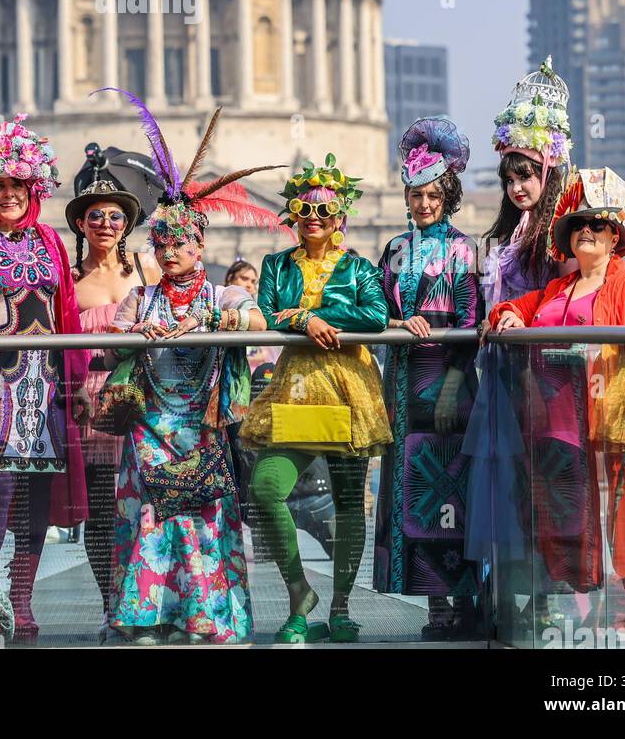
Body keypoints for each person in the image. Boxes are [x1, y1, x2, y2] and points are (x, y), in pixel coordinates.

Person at [96, 95, 276, 645]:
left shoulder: (224, 292)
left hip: (203, 428)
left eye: (181, 242)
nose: (171, 251)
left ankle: (205, 618)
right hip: (150, 427)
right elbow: (106, 355)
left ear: (201, 246)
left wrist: (224, 315)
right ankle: (148, 618)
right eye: (162, 242)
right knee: (149, 522)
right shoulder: (141, 299)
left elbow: (258, 323)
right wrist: (129, 338)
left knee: (203, 526)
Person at [490, 167, 625, 632]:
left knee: (619, 523)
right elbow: (511, 308)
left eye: (598, 225)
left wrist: (623, 411)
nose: (587, 231)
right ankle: (577, 615)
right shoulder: (558, 288)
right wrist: (506, 315)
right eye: (579, 225)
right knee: (563, 524)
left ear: (614, 237)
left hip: (609, 429)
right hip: (555, 431)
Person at [0, 115, 89, 648]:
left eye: (17, 186)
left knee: (36, 493)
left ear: (33, 189)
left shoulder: (51, 241)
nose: (8, 195)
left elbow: (68, 316)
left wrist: (74, 387)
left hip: (47, 388)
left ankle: (22, 599)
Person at [241, 156, 391, 644]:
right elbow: (266, 313)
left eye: (325, 212)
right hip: (296, 388)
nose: (313, 218)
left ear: (340, 218)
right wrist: (306, 323)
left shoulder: (360, 267)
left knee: (349, 502)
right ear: (292, 213)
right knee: (267, 487)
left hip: (349, 387)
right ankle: (299, 594)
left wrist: (311, 311)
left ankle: (342, 607)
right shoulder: (275, 265)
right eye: (304, 208)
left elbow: (375, 316)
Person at [462, 57, 575, 633]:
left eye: (527, 174)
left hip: (546, 379)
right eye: (509, 177)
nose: (517, 187)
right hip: (503, 378)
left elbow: (564, 299)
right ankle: (511, 595)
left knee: (542, 483)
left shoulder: (560, 235)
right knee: (508, 483)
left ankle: (546, 595)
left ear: (548, 170)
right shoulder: (507, 236)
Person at [373, 117, 482, 639]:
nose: (422, 204)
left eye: (432, 194)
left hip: (449, 386)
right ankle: (437, 606)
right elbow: (372, 310)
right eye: (415, 194)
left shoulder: (468, 251)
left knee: (452, 495)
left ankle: (466, 603)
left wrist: (454, 389)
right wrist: (397, 322)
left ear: (448, 195)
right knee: (415, 494)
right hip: (402, 385)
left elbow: (469, 325)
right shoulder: (393, 250)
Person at [65, 170, 157, 636]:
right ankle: (111, 604)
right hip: (91, 402)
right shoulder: (68, 278)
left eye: (115, 216)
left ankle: (144, 602)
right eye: (95, 216)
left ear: (127, 223)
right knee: (102, 513)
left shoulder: (147, 268)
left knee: (147, 509)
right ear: (81, 224)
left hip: (143, 399)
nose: (105, 223)